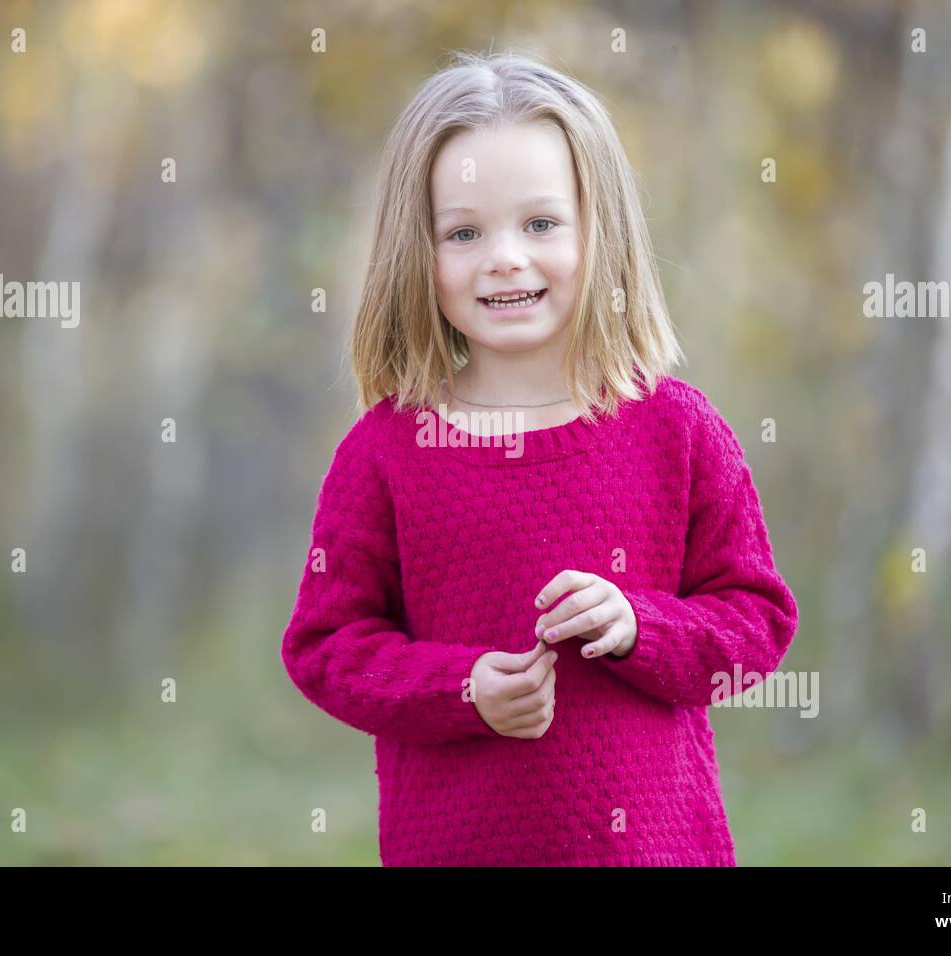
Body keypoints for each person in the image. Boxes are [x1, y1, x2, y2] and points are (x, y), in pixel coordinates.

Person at [281, 50, 799, 866]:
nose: (505, 257)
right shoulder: (385, 453)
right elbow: (326, 646)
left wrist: (642, 625)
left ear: (603, 231)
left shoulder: (678, 431)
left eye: (541, 224)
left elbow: (757, 620)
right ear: (417, 253)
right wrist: (463, 689)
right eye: (464, 232)